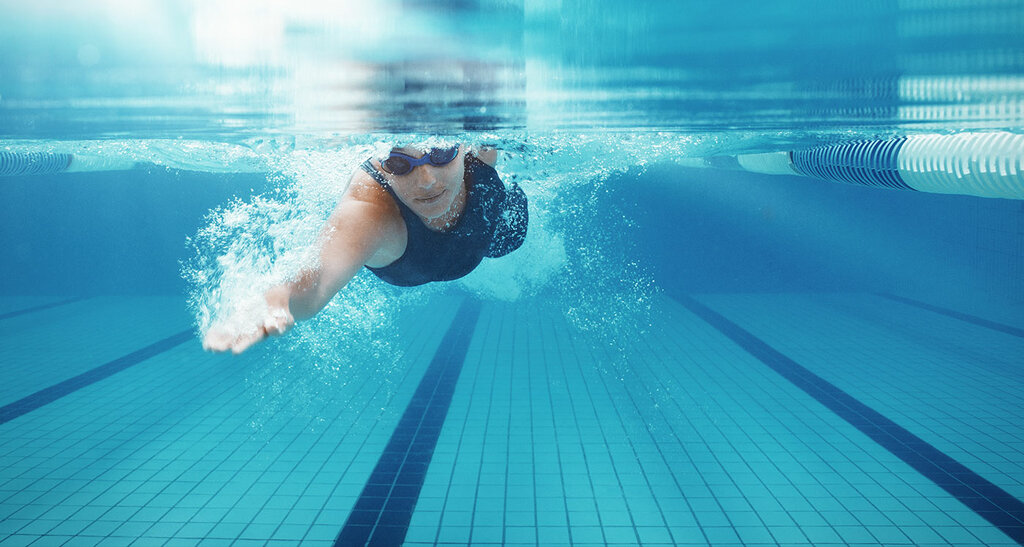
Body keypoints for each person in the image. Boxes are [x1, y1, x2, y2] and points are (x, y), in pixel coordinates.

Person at [202, 143, 528, 354]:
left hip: (488, 231)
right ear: (379, 160)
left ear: (463, 144)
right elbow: (314, 283)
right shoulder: (370, 210)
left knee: (510, 236)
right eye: (400, 164)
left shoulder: (479, 150)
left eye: (441, 153)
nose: (427, 180)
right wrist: (283, 298)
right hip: (421, 257)